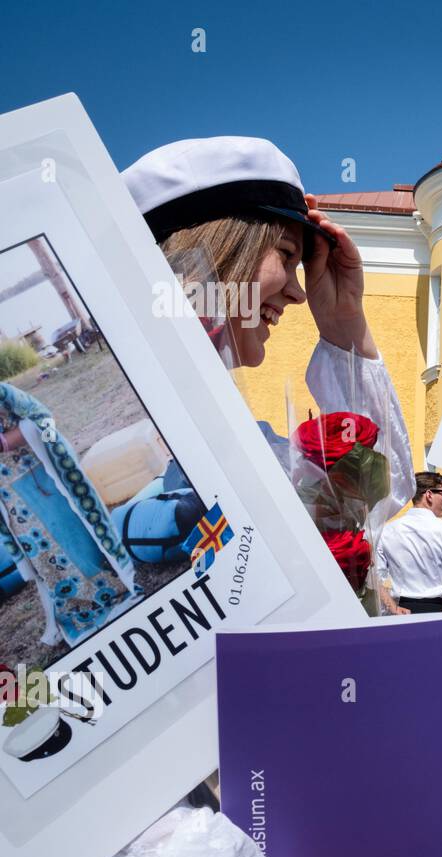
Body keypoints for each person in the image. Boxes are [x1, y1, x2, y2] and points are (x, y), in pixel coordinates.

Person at [122, 136, 414, 523]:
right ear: (218, 250)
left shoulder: (244, 440)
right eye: (287, 254)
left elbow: (370, 498)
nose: (297, 293)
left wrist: (343, 323)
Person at [0, 384, 138, 647]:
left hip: (43, 474)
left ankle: (111, 588)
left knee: (73, 537)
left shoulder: (2, 392)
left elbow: (44, 417)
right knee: (43, 555)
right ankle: (75, 604)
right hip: (9, 498)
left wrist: (12, 442)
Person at [374, 472, 442, 613]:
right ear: (429, 495)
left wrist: (392, 608)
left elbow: (374, 579)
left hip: (401, 612)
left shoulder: (387, 531)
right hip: (437, 611)